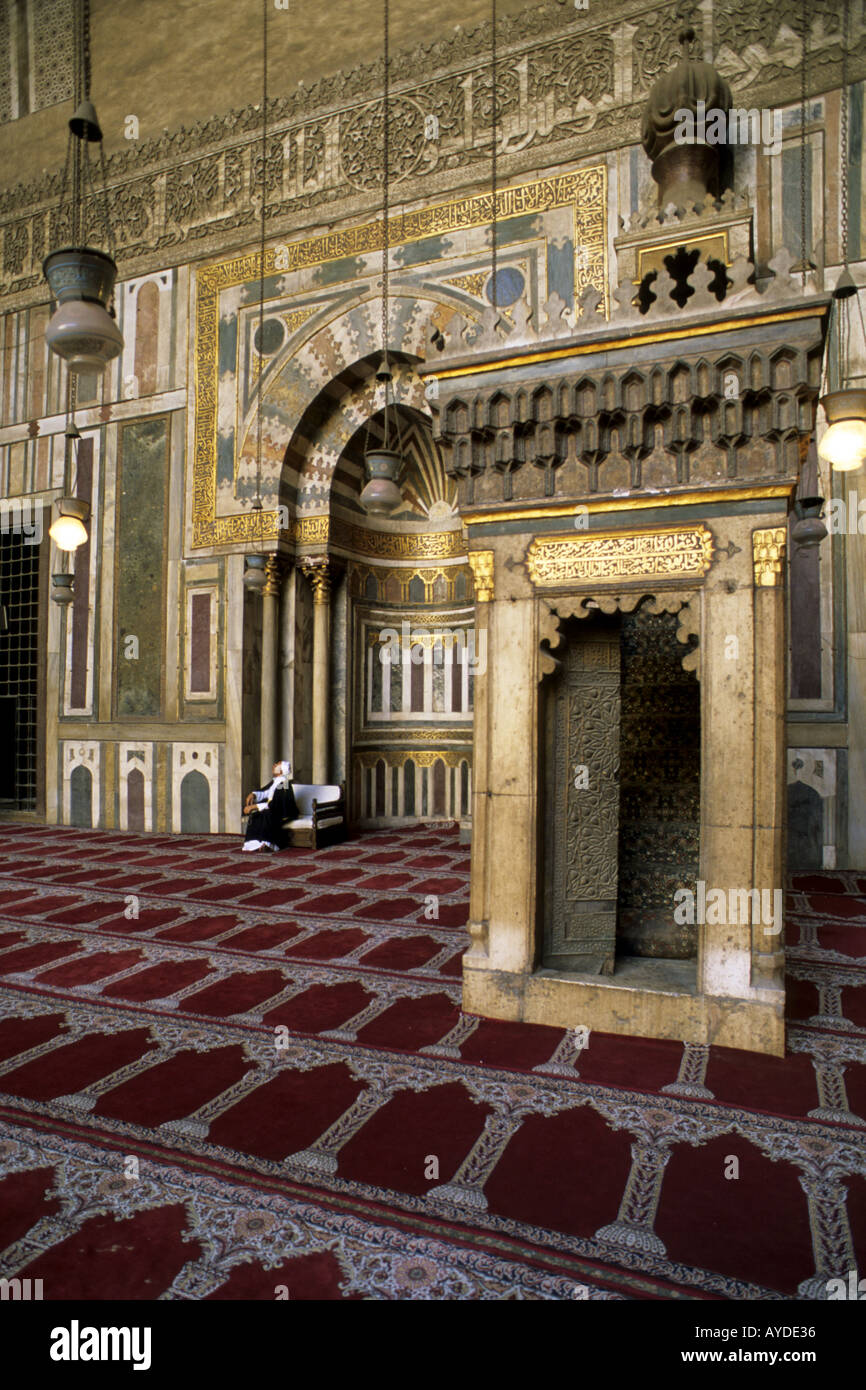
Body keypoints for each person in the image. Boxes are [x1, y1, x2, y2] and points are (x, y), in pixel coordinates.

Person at [242, 759, 297, 852]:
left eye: (277, 765)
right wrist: (254, 795)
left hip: (282, 813)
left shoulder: (284, 784)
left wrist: (254, 806)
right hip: (273, 809)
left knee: (267, 815)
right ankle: (256, 844)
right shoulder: (277, 781)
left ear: (281, 771)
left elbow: (275, 804)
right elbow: (266, 792)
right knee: (256, 815)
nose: (274, 765)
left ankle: (268, 845)